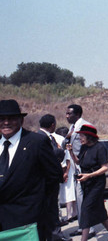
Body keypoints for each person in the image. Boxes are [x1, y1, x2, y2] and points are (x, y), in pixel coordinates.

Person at [0, 99, 63, 240]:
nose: (6, 122)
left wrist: (39, 209)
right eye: (2, 119)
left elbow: (55, 176)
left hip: (26, 224)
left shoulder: (36, 142)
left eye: (11, 118)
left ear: (21, 121)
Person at [67, 124, 108, 241]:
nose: (80, 139)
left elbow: (105, 167)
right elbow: (79, 162)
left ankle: (83, 239)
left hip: (97, 183)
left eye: (82, 136)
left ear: (89, 137)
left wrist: (89, 175)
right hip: (86, 183)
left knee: (86, 208)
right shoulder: (84, 147)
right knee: (99, 209)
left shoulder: (100, 148)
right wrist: (71, 153)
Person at [38, 114, 72, 241]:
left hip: (51, 180)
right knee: (51, 210)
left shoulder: (46, 137)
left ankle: (54, 235)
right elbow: (52, 154)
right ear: (53, 125)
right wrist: (60, 150)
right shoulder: (41, 138)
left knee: (52, 209)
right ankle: (55, 236)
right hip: (47, 181)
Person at [65, 104, 96, 238]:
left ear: (77, 114)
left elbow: (92, 145)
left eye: (69, 114)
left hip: (84, 167)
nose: (67, 116)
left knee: (84, 198)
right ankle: (82, 226)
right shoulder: (72, 129)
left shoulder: (85, 126)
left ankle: (90, 228)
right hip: (75, 166)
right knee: (79, 199)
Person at [56, 127, 78, 225]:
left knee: (69, 193)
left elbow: (68, 161)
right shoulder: (65, 146)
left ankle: (70, 214)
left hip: (67, 172)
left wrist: (66, 173)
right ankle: (74, 212)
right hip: (68, 172)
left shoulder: (64, 146)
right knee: (71, 193)